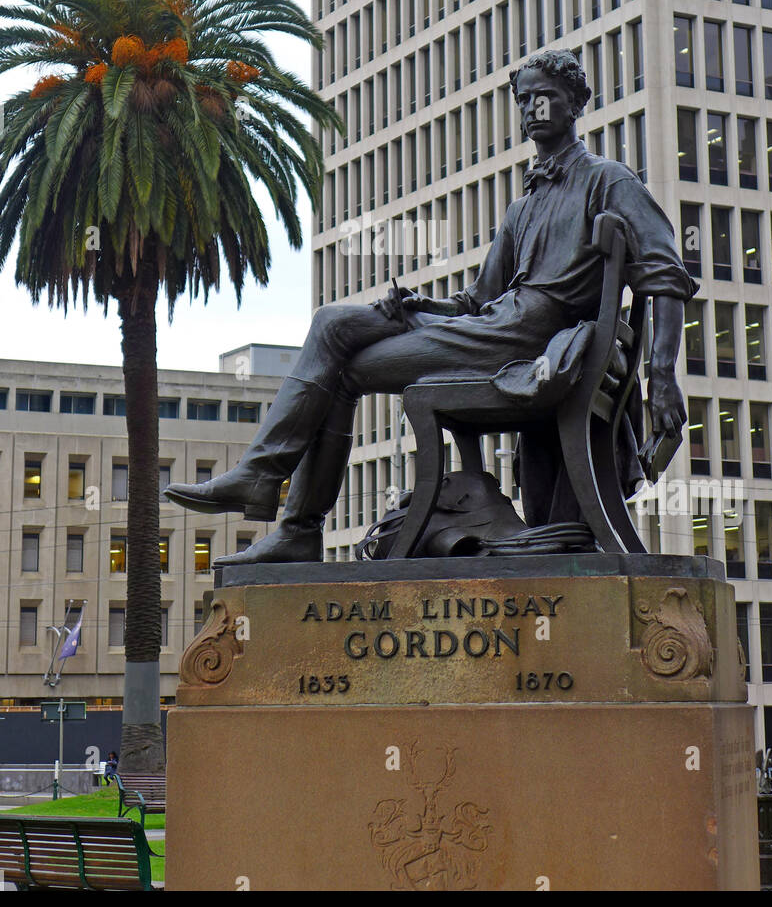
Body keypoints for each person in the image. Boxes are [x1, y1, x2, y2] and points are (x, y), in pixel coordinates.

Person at [166, 48, 697, 563]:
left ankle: (288, 515)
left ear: (575, 105)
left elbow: (664, 274)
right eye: (525, 99)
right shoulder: (523, 205)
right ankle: (281, 506)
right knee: (333, 326)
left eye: (547, 98)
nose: (533, 109)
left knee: (344, 367)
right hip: (494, 326)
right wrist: (422, 304)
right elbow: (477, 300)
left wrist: (663, 375)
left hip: (531, 342)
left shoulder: (608, 179)